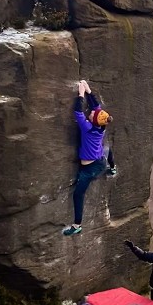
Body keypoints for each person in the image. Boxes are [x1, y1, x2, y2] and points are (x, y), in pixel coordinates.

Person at [63, 80, 114, 236]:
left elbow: (78, 112)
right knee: (107, 148)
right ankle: (112, 167)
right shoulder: (100, 125)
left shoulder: (87, 128)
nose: (90, 112)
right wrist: (89, 91)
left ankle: (77, 225)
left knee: (78, 194)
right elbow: (96, 105)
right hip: (99, 160)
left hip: (90, 169)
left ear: (93, 120)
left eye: (92, 114)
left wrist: (80, 94)